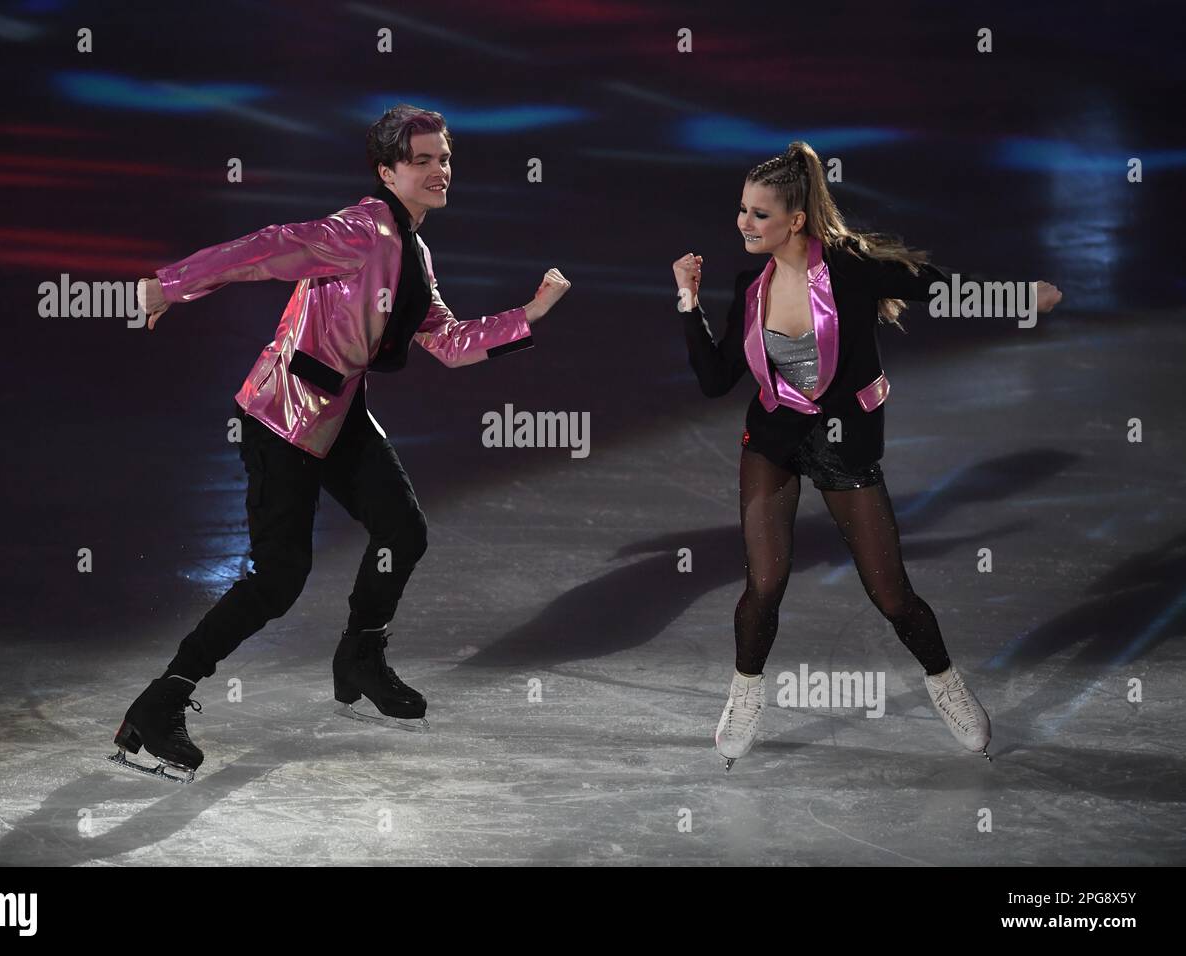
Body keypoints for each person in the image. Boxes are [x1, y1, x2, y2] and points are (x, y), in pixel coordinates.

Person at [110, 104, 571, 782]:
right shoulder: (360, 229)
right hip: (281, 417)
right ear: (387, 171)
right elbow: (267, 248)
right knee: (278, 580)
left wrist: (528, 315)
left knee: (402, 530)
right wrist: (169, 284)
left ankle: (360, 656)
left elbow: (445, 341)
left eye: (445, 157)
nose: (441, 169)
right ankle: (159, 703)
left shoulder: (413, 245)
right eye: (423, 160)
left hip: (339, 410)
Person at [674, 141, 1061, 770]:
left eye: (758, 214)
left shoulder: (852, 270)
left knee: (891, 594)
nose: (743, 223)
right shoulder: (750, 287)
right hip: (772, 442)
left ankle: (944, 683)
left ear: (795, 220)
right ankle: (745, 692)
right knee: (764, 584)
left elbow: (941, 290)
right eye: (742, 210)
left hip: (844, 446)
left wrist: (1020, 299)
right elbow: (717, 380)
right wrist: (688, 302)